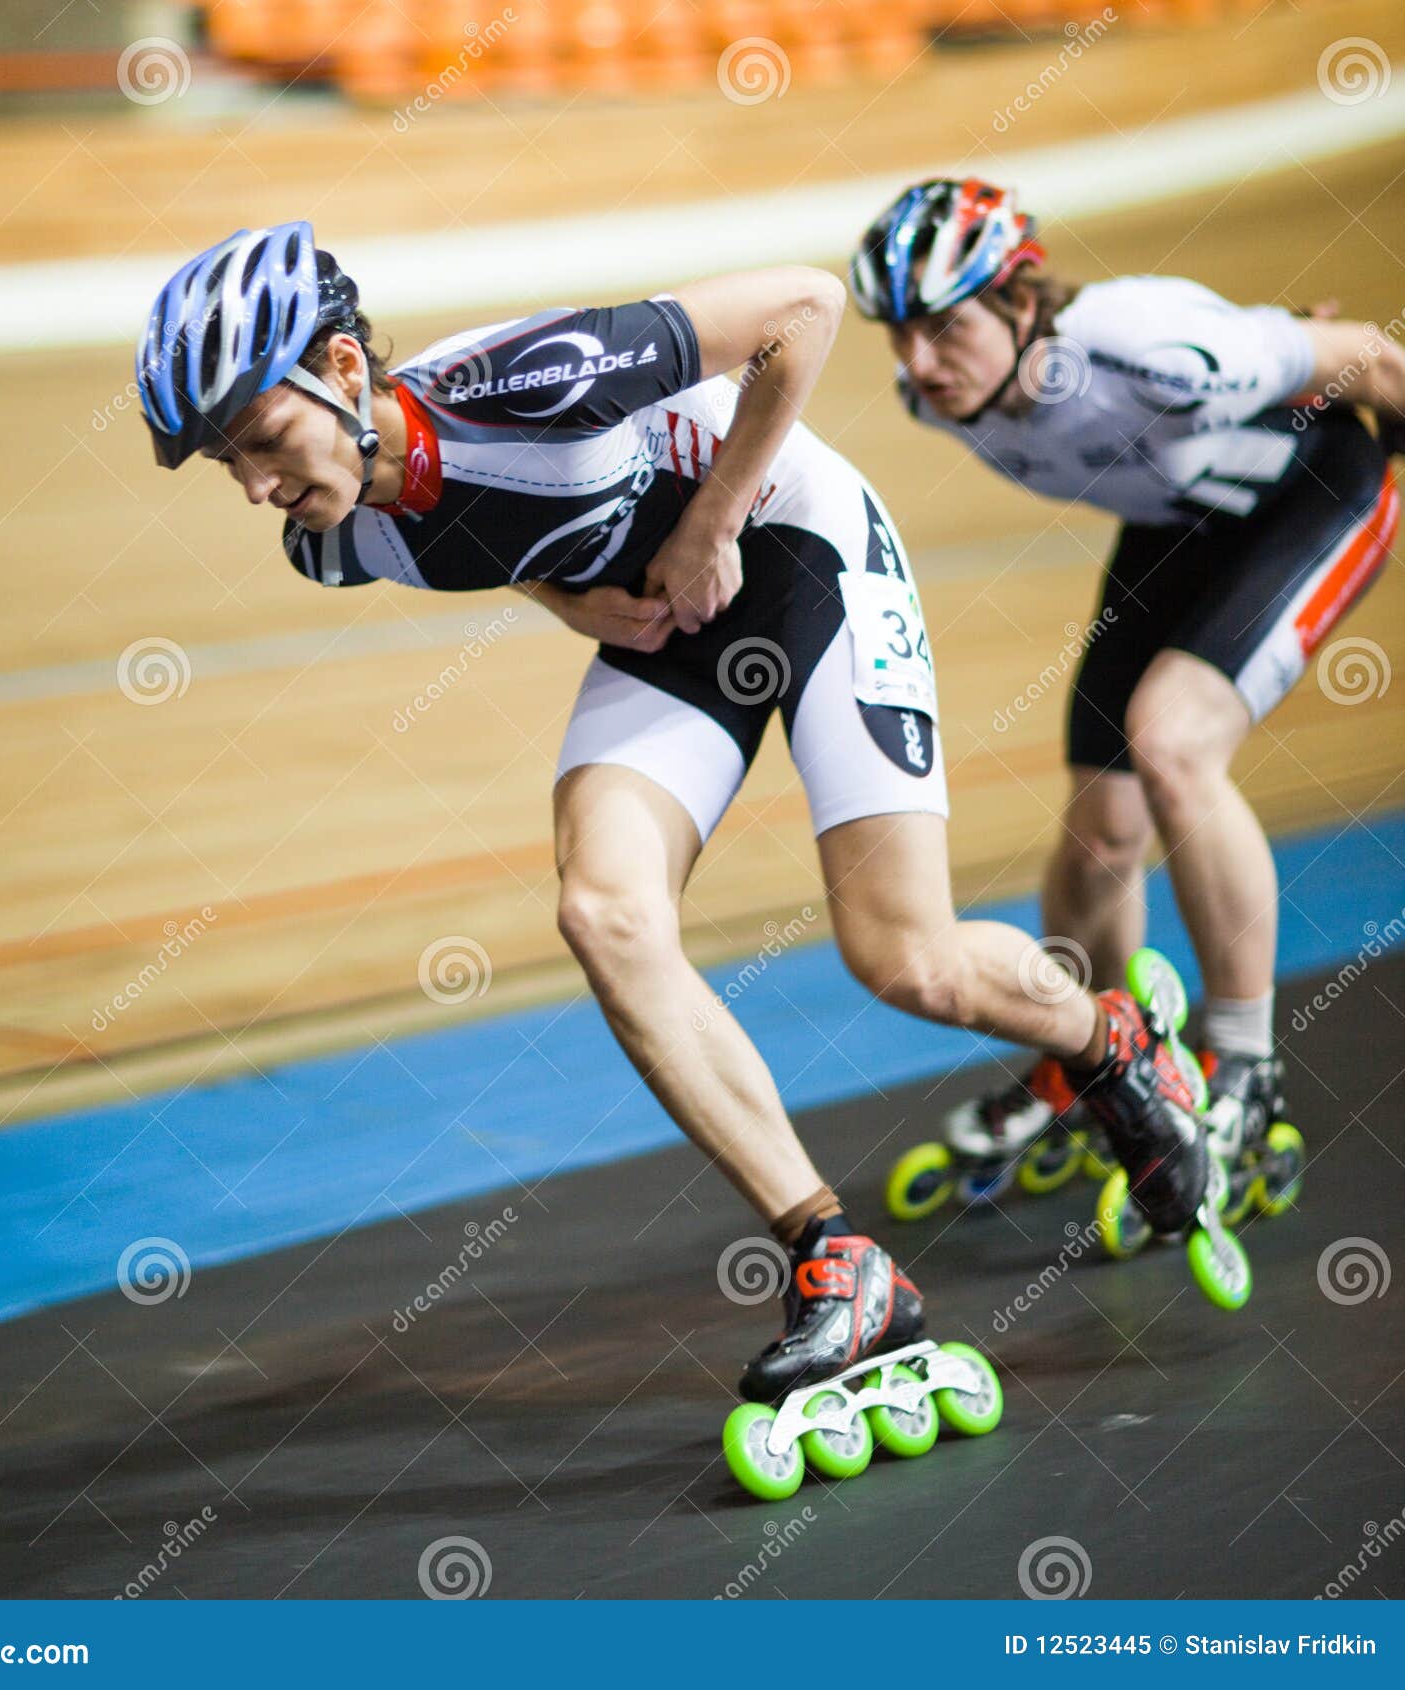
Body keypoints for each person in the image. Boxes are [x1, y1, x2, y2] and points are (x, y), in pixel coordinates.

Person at [137, 221, 1218, 1406]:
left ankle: (1114, 1047)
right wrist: (569, 606)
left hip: (799, 551)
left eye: (260, 439)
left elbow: (803, 307)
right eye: (221, 463)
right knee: (603, 909)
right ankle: (836, 1262)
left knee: (907, 960)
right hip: (670, 618)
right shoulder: (333, 538)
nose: (252, 485)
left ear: (343, 370)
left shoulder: (532, 379)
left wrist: (709, 525)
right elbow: (486, 529)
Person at [850, 178, 1401, 1215]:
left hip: (1316, 493)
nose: (918, 363)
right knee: (1102, 834)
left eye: (943, 328)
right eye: (898, 336)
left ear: (1020, 300)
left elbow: (1364, 353)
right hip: (1177, 526)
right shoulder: (932, 395)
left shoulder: (1145, 342)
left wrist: (1300, 359)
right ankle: (1097, 1053)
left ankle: (1242, 1065)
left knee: (1172, 743)